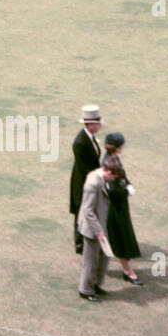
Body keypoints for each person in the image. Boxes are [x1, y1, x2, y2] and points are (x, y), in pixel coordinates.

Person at [102, 135, 143, 285]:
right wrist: (127, 191)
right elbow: (112, 192)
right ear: (118, 147)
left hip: (120, 206)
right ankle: (128, 272)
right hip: (115, 209)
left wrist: (128, 184)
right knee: (120, 240)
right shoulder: (108, 163)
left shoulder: (113, 158)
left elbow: (122, 176)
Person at [76, 156, 119, 301]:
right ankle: (85, 290)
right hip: (92, 228)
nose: (113, 179)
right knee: (90, 260)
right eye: (113, 177)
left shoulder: (101, 179)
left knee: (104, 256)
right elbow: (87, 211)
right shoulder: (93, 183)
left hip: (100, 224)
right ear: (108, 172)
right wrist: (98, 231)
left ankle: (95, 284)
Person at [70, 105, 104, 254]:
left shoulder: (90, 138)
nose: (100, 125)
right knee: (81, 210)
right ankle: (80, 244)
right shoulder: (80, 142)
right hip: (82, 182)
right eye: (97, 123)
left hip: (90, 179)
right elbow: (85, 168)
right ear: (90, 124)